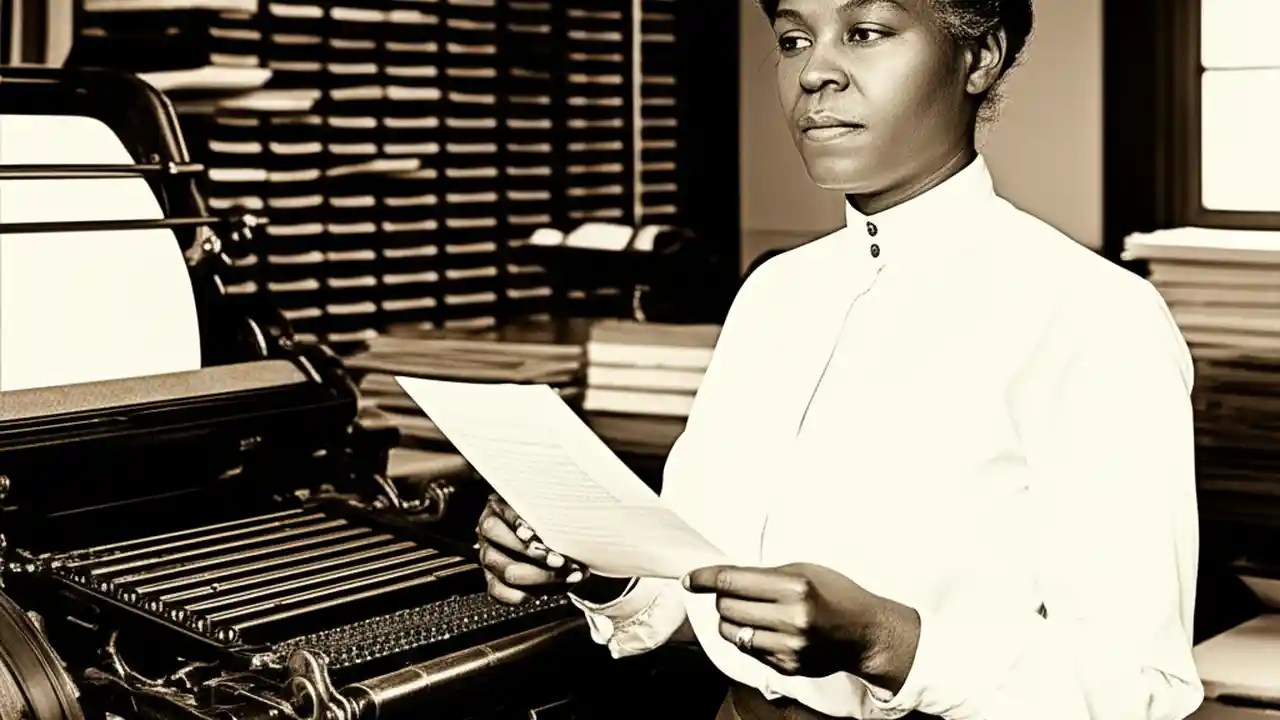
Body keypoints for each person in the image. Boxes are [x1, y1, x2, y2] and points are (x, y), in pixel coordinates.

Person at [476, 0, 1205, 718]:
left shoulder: (1090, 314)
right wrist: (591, 567)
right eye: (793, 39)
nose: (814, 72)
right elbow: (692, 585)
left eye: (865, 33)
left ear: (978, 57)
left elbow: (1138, 688)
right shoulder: (774, 294)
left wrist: (887, 641)